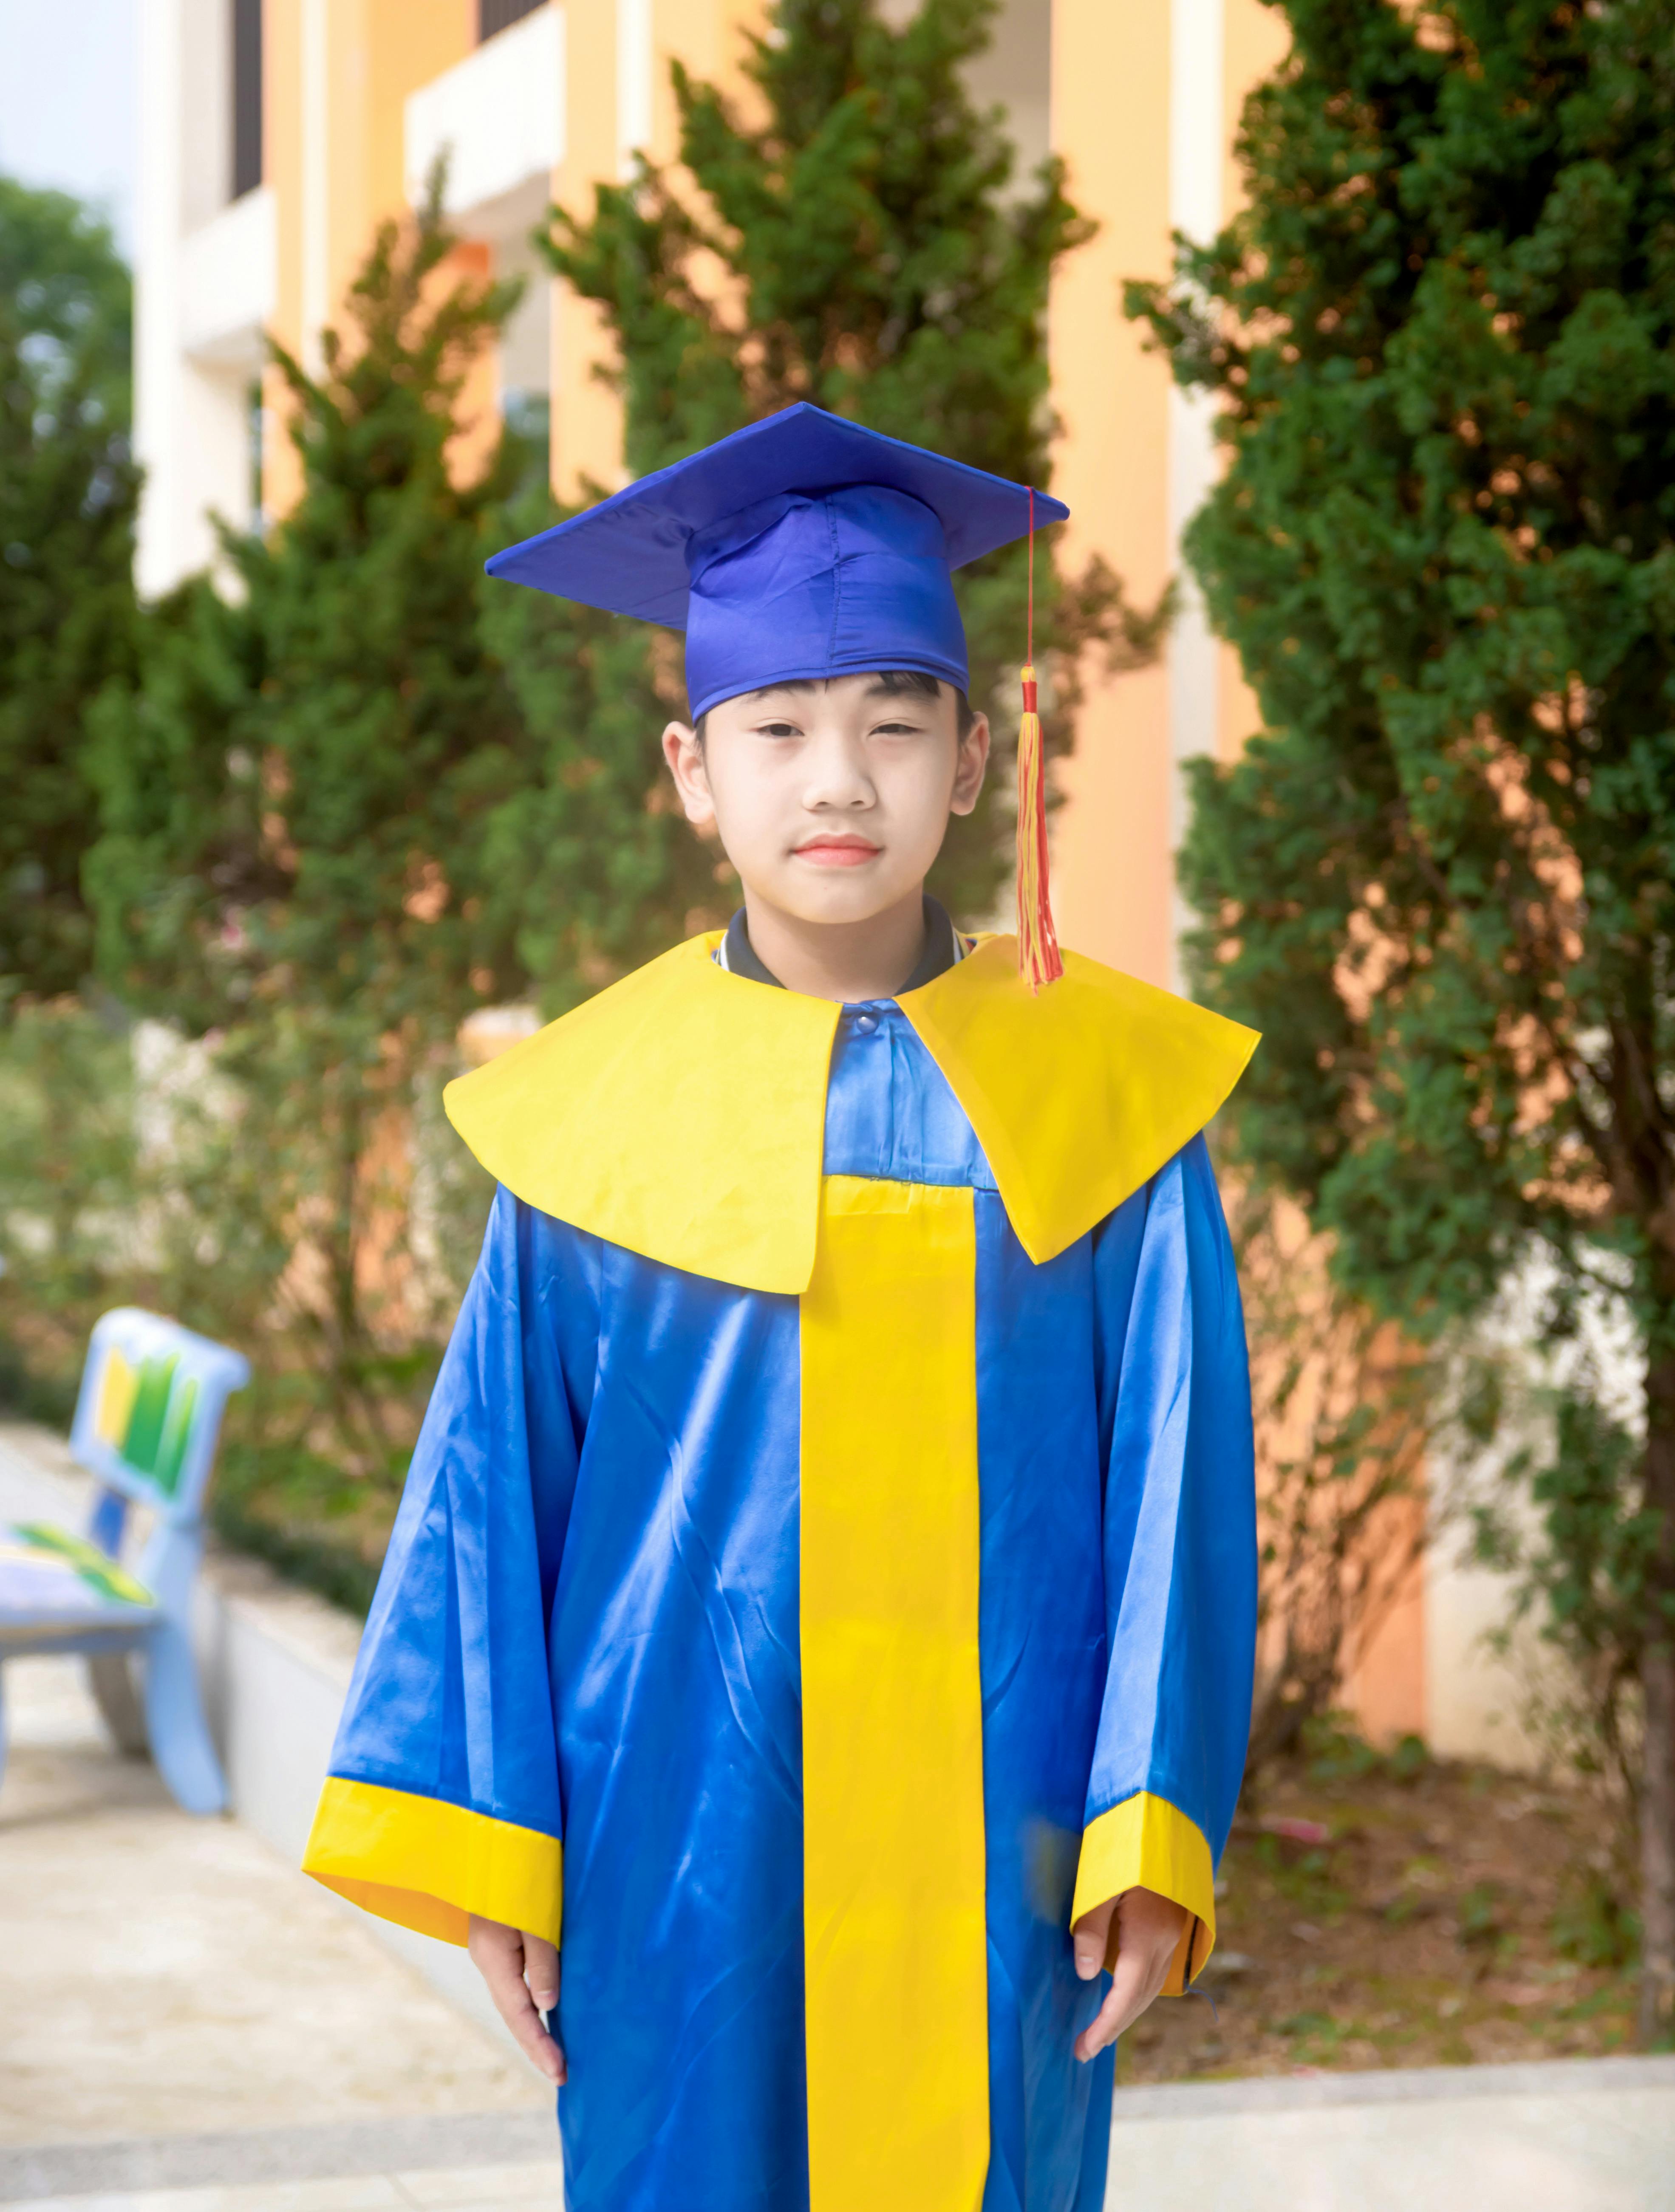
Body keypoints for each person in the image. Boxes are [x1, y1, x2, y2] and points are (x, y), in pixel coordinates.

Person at [303, 403, 1258, 2212]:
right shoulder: (595, 1116)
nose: (839, 783)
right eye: (780, 733)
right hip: (679, 1842)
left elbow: (1177, 1503)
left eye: (895, 726)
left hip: (1008, 1833)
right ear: (690, 768)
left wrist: (1150, 1831)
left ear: (973, 760)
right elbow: (487, 1504)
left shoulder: (1106, 1102)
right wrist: (499, 1853)